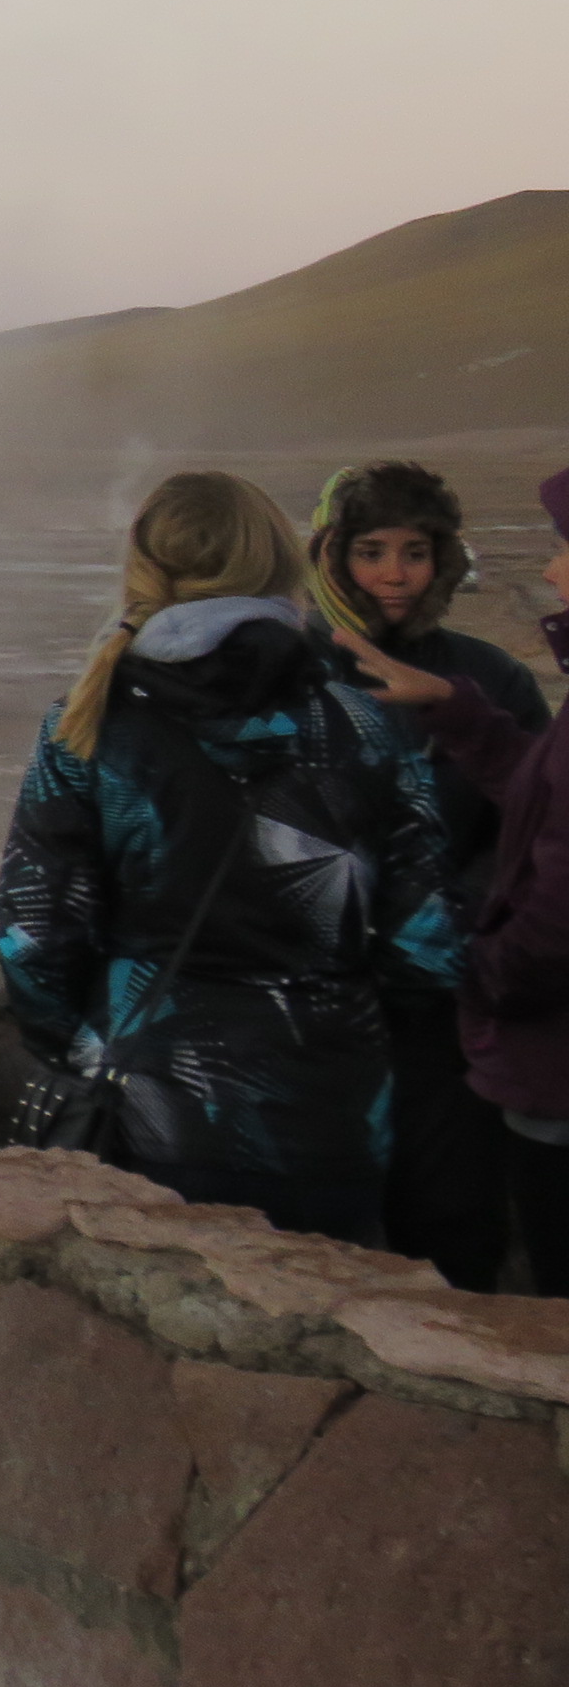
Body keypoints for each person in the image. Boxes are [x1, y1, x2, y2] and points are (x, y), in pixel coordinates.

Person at [0, 469, 458, 1244]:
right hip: (331, 1115)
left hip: (146, 1110)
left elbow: (34, 936)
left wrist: (79, 1046)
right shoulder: (365, 722)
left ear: (147, 568)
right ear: (281, 563)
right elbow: (426, 946)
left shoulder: (89, 720)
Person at [308, 463, 550, 1288]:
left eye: (416, 552)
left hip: (447, 1009)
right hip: (312, 1004)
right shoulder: (291, 674)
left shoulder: (491, 681)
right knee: (321, 1233)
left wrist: (452, 925)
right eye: (371, 551)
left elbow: (533, 833)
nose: (395, 575)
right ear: (334, 557)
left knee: (452, 1219)